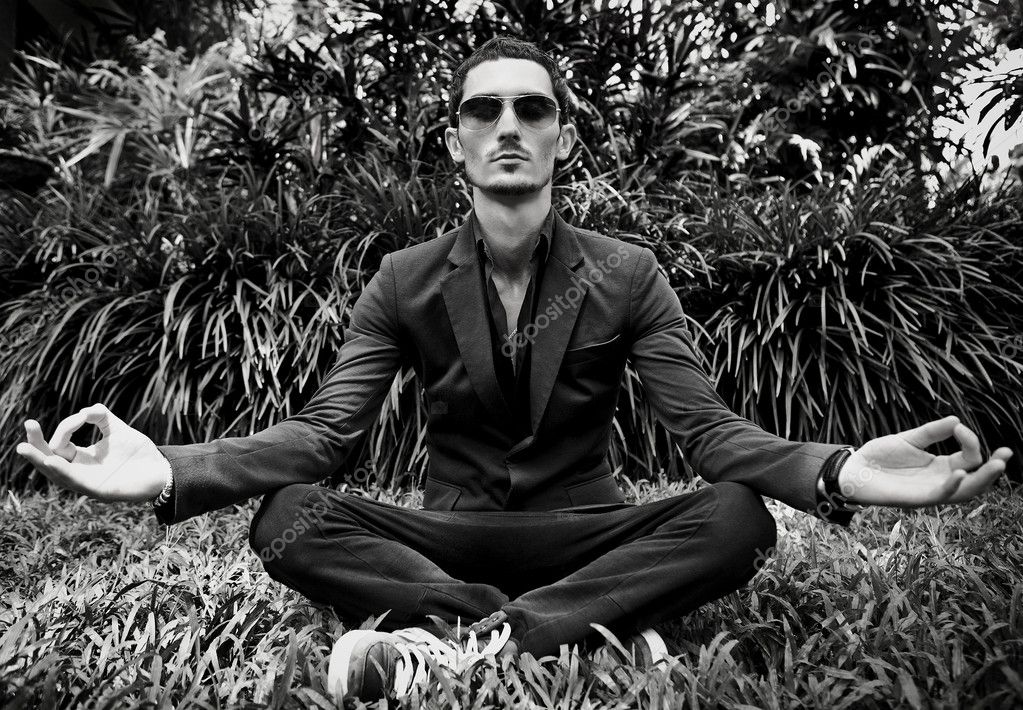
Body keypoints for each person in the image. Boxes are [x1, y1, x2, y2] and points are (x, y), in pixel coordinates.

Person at [16, 37, 1013, 702]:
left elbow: (710, 434)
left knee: (736, 513)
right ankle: (576, 634)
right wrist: (165, 470)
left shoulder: (628, 273)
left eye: (530, 109)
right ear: (456, 140)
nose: (506, 125)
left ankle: (456, 642)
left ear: (562, 137)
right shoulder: (402, 281)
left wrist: (843, 469)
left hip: (588, 524)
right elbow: (325, 434)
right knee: (288, 514)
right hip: (450, 528)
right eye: (482, 110)